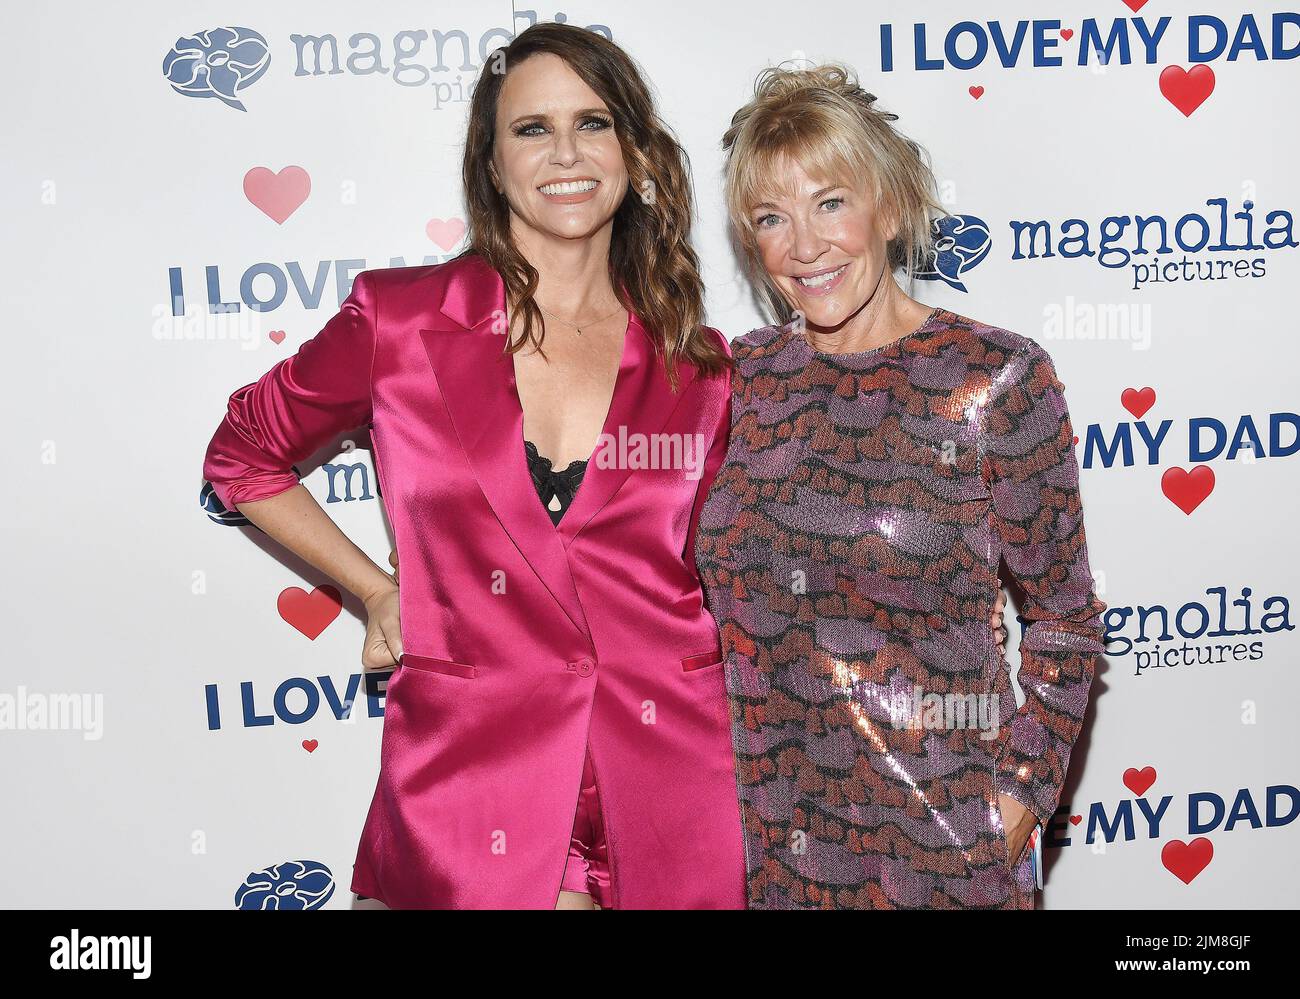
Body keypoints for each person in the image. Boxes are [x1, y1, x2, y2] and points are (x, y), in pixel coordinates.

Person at [203, 22, 743, 909]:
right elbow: (243, 458)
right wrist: (377, 593)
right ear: (492, 165)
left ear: (636, 152)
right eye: (531, 129)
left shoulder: (703, 363)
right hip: (470, 775)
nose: (565, 152)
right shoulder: (400, 323)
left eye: (594, 123)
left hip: (675, 781)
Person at [693, 64, 1107, 909]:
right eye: (771, 218)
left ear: (888, 203)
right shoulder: (735, 380)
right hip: (766, 859)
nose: (803, 245)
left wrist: (1016, 803)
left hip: (946, 857)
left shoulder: (996, 377)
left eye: (830, 202)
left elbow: (1065, 621)